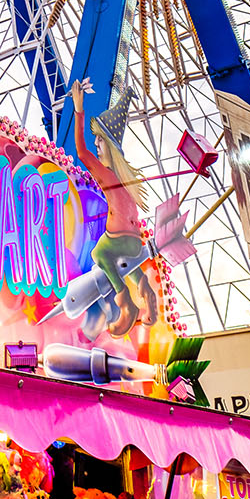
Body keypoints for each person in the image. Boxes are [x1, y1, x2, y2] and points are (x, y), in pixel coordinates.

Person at [69, 78, 158, 336]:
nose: (96, 145)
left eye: (99, 140)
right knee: (123, 262)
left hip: (117, 238)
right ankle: (144, 287)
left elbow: (81, 152)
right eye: (96, 140)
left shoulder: (108, 175)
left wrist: (78, 110)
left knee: (99, 253)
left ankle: (125, 301)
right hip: (133, 242)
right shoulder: (126, 180)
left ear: (109, 144)